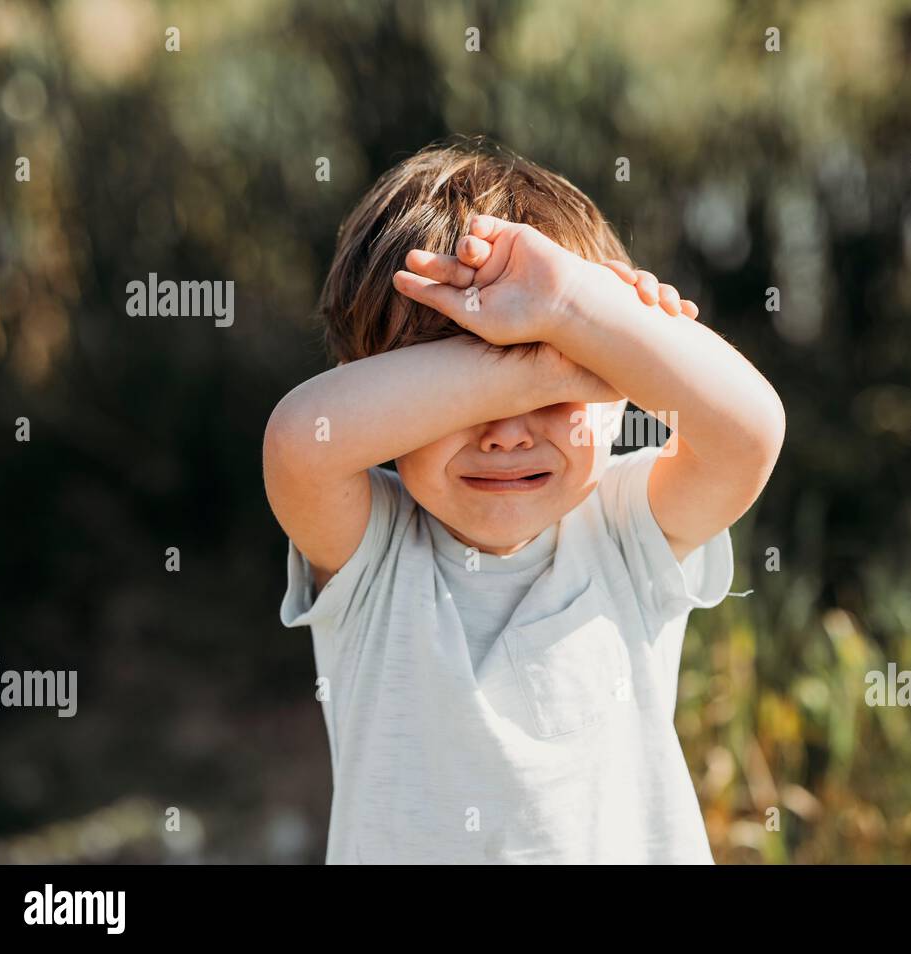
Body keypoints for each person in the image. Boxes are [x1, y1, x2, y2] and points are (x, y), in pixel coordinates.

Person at [263, 138, 785, 862]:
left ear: (618, 396)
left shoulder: (628, 529)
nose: (508, 435)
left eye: (560, 388)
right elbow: (298, 441)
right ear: (377, 399)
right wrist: (559, 358)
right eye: (455, 383)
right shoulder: (372, 553)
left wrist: (578, 306)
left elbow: (750, 435)